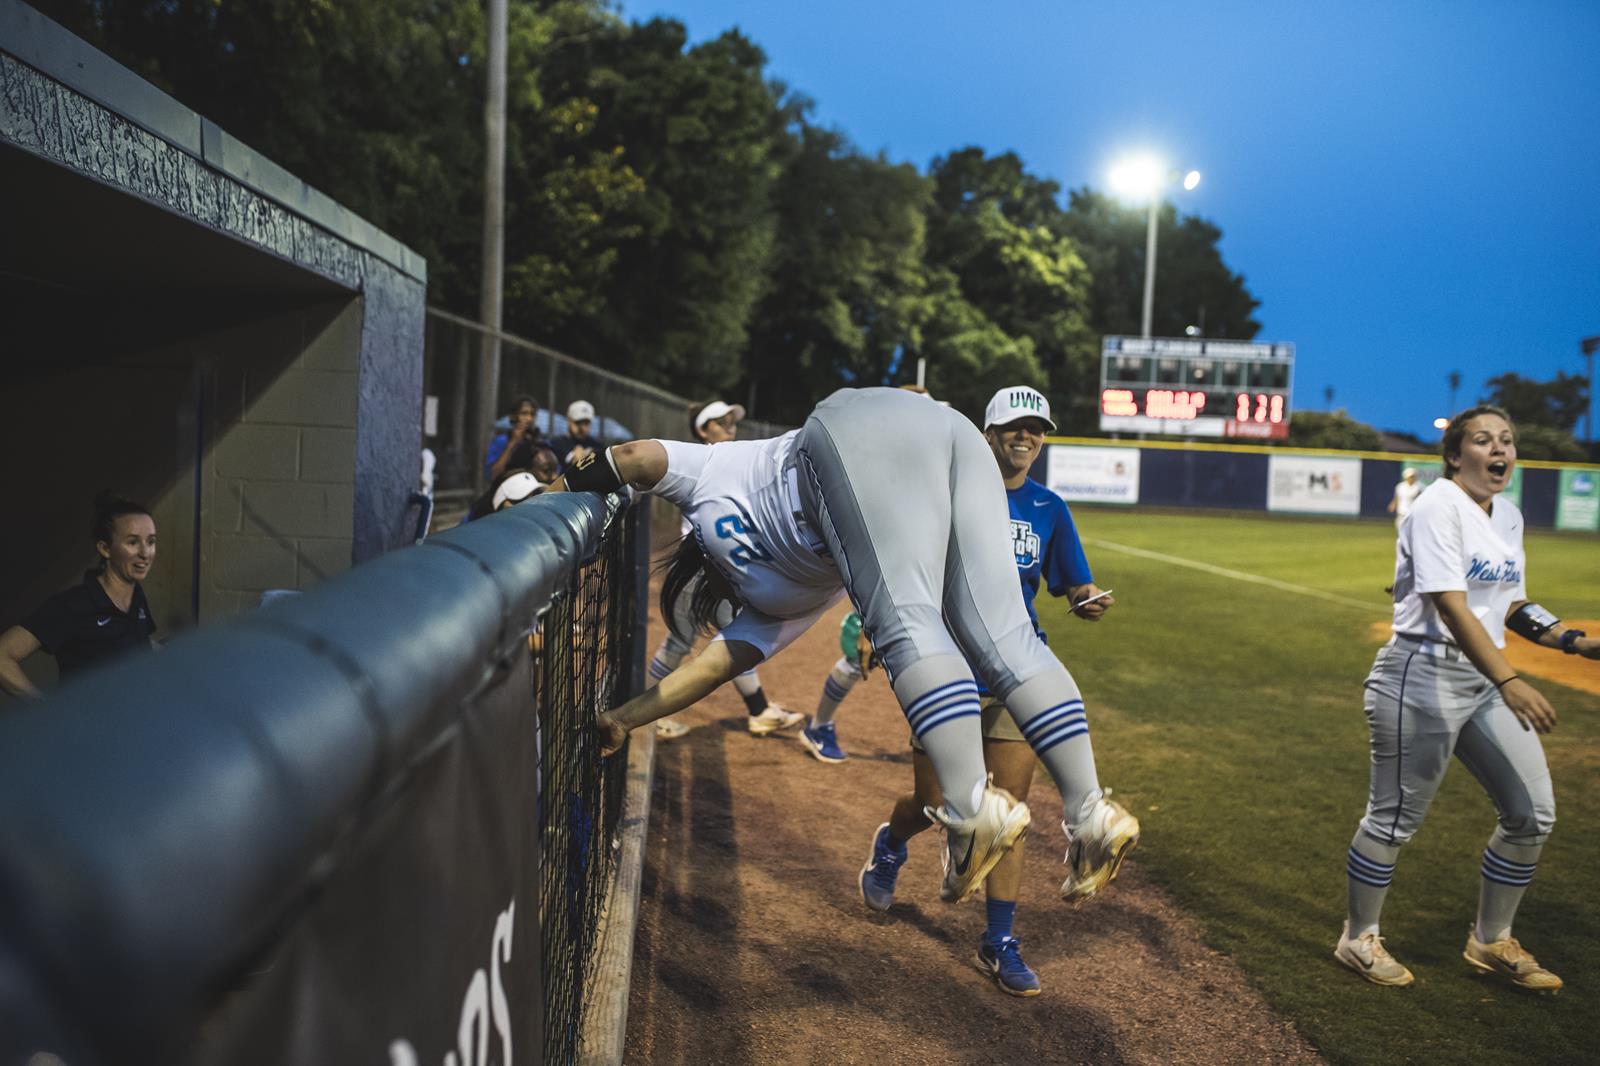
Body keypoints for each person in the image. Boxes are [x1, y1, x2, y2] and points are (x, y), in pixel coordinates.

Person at [555, 386, 1139, 908]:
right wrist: (624, 718)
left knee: (909, 621)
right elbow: (635, 465)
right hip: (949, 430)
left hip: (840, 441)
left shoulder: (763, 582)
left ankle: (969, 809)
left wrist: (546, 497)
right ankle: (1091, 811)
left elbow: (633, 462)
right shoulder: (758, 569)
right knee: (1005, 635)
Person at [850, 386, 1111, 998]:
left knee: (1009, 811)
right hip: (946, 668)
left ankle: (998, 940)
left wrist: (1087, 600)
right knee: (935, 799)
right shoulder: (945, 497)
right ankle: (892, 845)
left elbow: (1074, 583)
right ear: (988, 435)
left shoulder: (1049, 508)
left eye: (1036, 429)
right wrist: (870, 628)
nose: (1026, 437)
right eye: (1014, 428)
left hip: (1016, 672)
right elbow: (901, 568)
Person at [1333, 405, 1599, 992]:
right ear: (1456, 455)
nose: (1499, 449)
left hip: (1479, 681)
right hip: (1419, 674)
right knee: (1394, 817)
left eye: (1507, 439)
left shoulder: (1507, 515)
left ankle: (1490, 939)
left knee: (1533, 815)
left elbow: (1509, 605)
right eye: (1483, 440)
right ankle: (1358, 937)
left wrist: (1572, 641)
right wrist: (1510, 678)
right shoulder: (1436, 505)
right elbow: (1452, 606)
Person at [649, 399, 802, 741]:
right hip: (698, 568)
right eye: (722, 422)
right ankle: (642, 709)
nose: (731, 427)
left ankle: (759, 709)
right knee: (681, 642)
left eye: (732, 421)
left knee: (733, 636)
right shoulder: (699, 462)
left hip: (719, 570)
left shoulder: (735, 462)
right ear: (703, 430)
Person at [0, 493, 159, 698]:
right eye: (133, 542)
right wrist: (44, 708)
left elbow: (136, 643)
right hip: (87, 728)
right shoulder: (73, 604)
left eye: (151, 541)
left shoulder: (137, 596)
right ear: (105, 548)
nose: (145, 553)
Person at [484, 395, 546, 483]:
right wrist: (512, 443)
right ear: (514, 416)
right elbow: (493, 475)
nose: (529, 419)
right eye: (524, 413)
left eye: (532, 414)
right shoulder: (502, 441)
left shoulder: (539, 442)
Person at [550, 400, 603, 471]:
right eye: (578, 423)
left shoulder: (598, 446)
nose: (583, 428)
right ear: (569, 420)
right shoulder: (556, 445)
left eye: (586, 423)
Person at [1386, 466, 1422, 531]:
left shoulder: (1419, 487)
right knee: (1400, 532)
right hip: (1401, 512)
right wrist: (1393, 505)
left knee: (1411, 532)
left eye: (1413, 476)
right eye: (1410, 477)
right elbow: (1397, 497)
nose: (1412, 478)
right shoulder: (1400, 486)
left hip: (1413, 513)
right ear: (1406, 477)